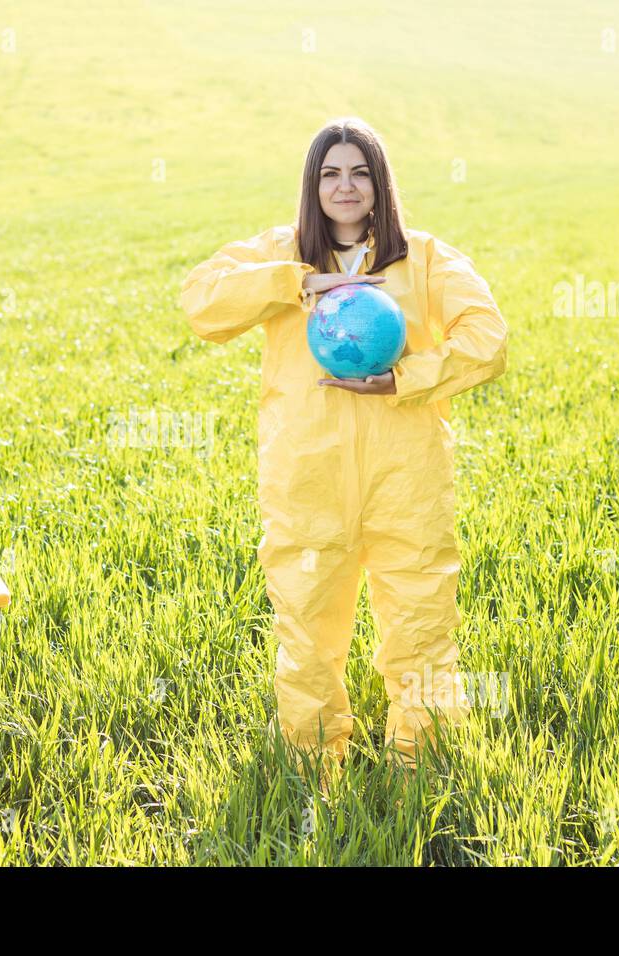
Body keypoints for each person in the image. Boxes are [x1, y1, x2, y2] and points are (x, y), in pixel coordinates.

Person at [177, 117, 508, 774]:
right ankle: (310, 771)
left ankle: (424, 770)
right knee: (306, 633)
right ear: (313, 184)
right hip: (308, 481)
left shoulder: (425, 258)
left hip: (406, 479)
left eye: (360, 172)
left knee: (420, 627)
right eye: (331, 173)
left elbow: (487, 340)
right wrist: (292, 283)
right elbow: (200, 301)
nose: (346, 186)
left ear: (379, 183)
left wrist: (402, 378)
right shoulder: (282, 254)